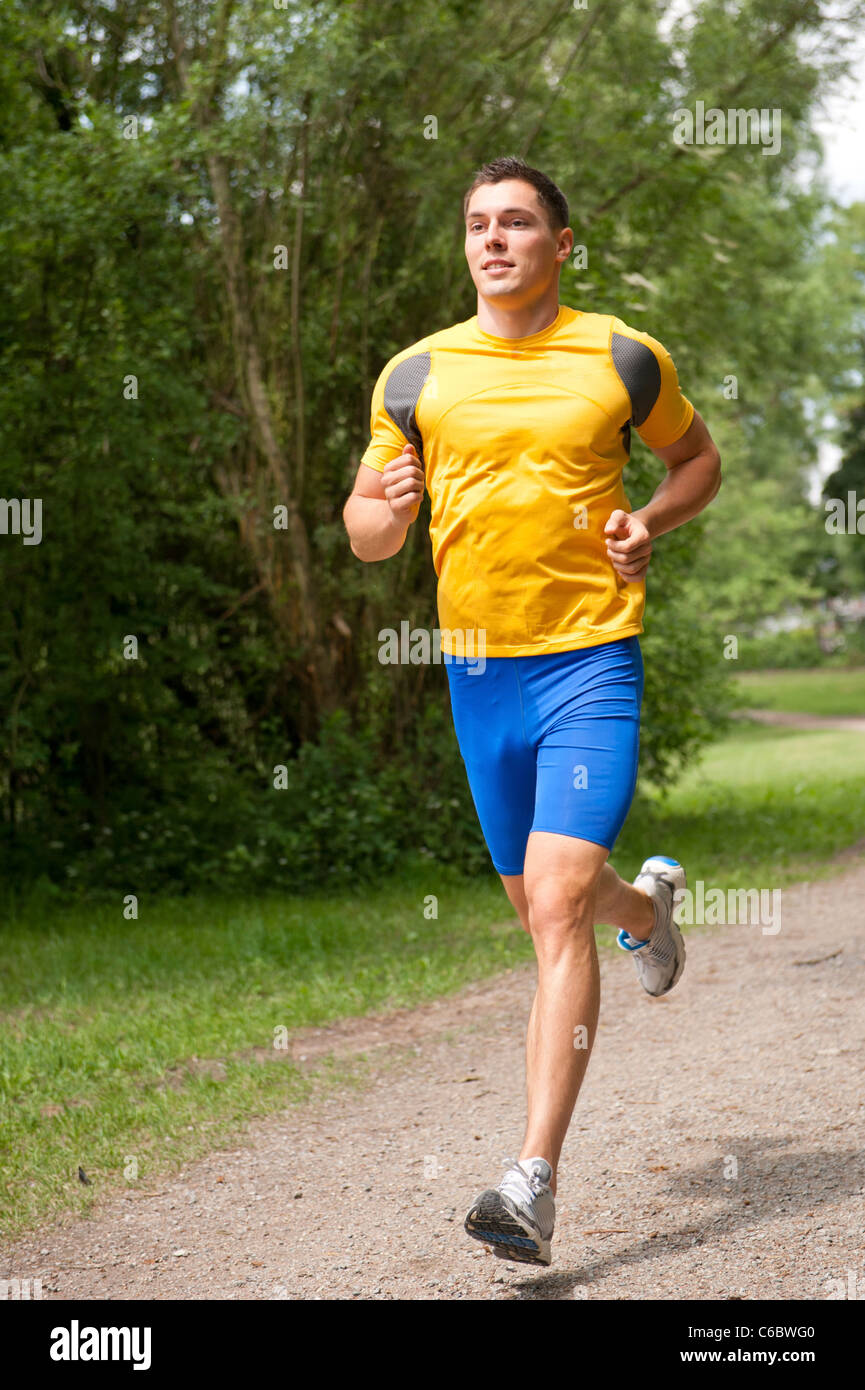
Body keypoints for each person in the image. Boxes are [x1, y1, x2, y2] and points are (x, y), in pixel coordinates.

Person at [342, 155, 722, 1267]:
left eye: (516, 222)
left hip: (589, 659)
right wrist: (388, 508)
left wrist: (650, 521)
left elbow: (696, 461)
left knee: (555, 901)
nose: (493, 239)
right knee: (543, 905)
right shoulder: (413, 376)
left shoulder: (620, 355)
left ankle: (531, 1180)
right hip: (477, 672)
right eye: (476, 224)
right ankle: (648, 916)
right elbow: (364, 530)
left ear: (563, 245)